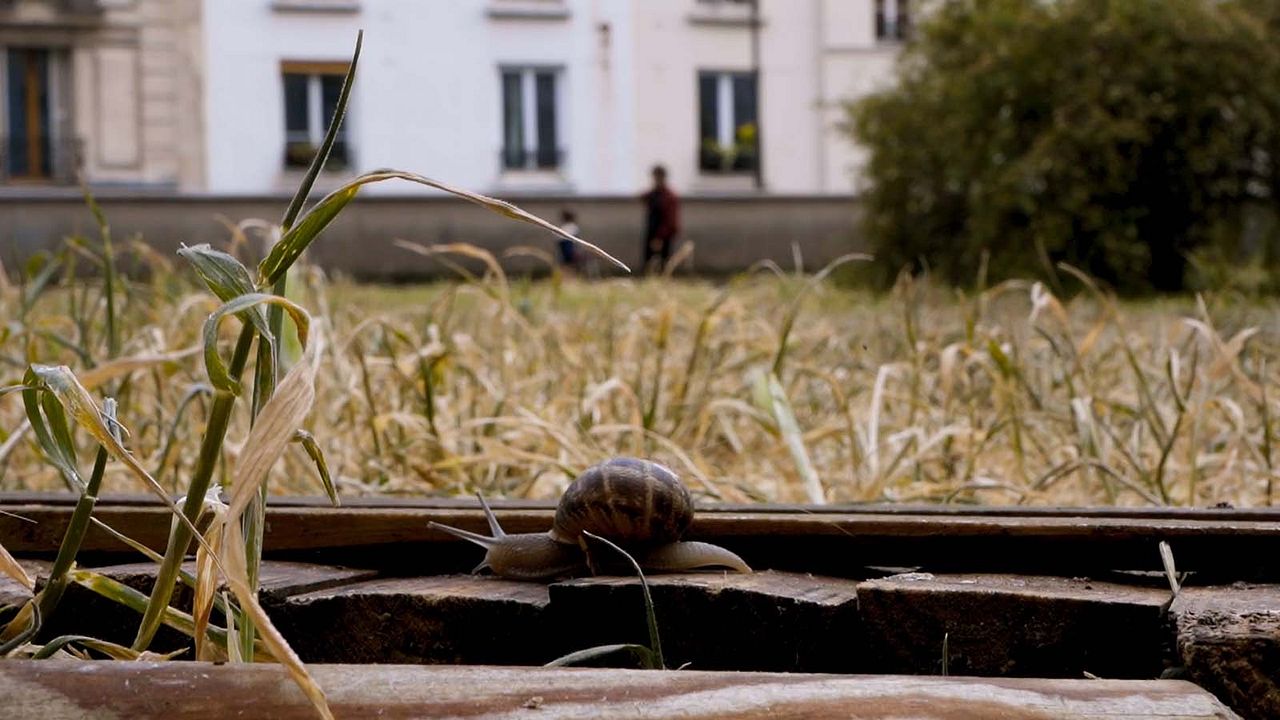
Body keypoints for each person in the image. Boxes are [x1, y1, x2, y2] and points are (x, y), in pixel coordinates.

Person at [641, 164, 680, 274]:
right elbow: (644, 197)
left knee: (664, 262)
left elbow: (670, 220)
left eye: (657, 177)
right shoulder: (654, 194)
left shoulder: (669, 197)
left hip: (663, 235)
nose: (655, 180)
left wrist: (660, 237)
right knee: (648, 261)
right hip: (651, 232)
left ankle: (663, 282)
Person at [555, 208, 580, 274]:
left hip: (563, 246)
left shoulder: (562, 227)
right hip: (568, 245)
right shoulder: (573, 227)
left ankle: (567, 275)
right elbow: (575, 240)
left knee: (565, 263)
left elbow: (558, 240)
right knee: (570, 263)